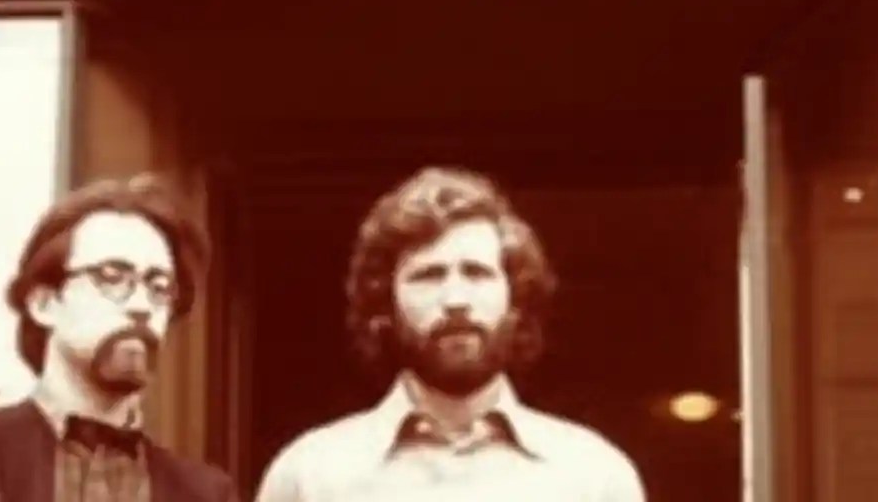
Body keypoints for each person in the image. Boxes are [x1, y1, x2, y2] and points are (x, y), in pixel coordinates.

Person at [255, 166, 645, 502]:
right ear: (385, 304)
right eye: (428, 276)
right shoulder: (309, 476)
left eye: (477, 273)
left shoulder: (594, 478)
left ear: (515, 297)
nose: (456, 300)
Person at [0, 174, 238, 502]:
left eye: (159, 287)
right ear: (45, 304)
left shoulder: (206, 493)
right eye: (112, 277)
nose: (141, 305)